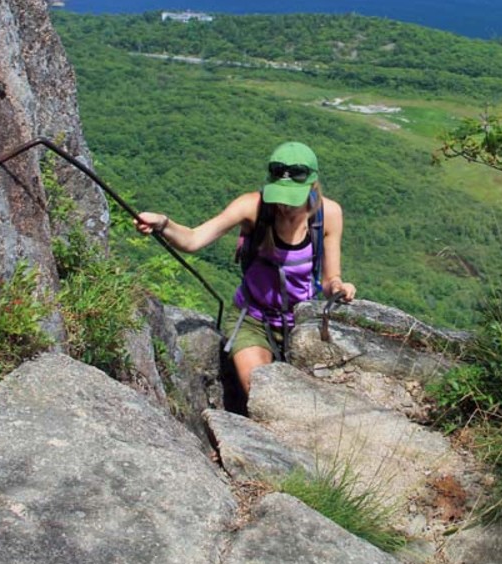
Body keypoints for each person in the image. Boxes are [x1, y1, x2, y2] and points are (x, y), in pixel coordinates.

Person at [135, 141, 356, 395]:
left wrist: (340, 287)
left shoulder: (328, 215)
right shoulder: (252, 206)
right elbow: (194, 239)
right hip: (252, 318)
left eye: (292, 199)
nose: (284, 206)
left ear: (312, 186)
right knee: (261, 391)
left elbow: (330, 280)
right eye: (280, 196)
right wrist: (163, 224)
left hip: (302, 320)